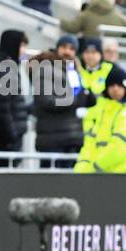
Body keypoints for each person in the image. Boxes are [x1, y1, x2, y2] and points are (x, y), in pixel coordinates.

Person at [30, 35, 92, 167]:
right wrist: (75, 101)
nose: (67, 52)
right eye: (64, 47)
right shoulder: (45, 70)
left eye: (71, 48)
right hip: (52, 139)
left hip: (72, 137)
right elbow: (46, 101)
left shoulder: (75, 72)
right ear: (57, 49)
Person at [73, 65, 126, 174]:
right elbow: (89, 145)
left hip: (122, 177)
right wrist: (81, 170)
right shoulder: (103, 112)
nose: (115, 89)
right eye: (111, 85)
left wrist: (95, 169)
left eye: (119, 85)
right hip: (98, 177)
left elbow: (120, 147)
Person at [0, 28, 30, 164]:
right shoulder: (3, 68)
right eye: (21, 45)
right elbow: (1, 105)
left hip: (9, 136)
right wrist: (11, 135)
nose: (24, 50)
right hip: (6, 139)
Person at [60, 0, 126, 38]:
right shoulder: (119, 17)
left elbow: (72, 28)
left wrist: (61, 20)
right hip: (111, 48)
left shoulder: (87, 13)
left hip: (88, 48)